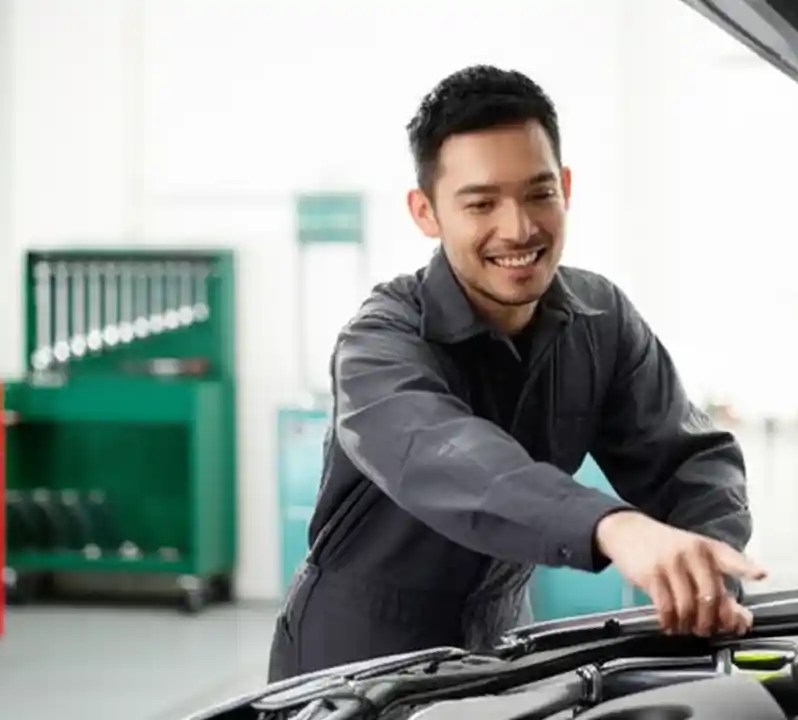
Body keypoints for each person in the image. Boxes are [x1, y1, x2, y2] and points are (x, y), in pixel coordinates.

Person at [267, 64, 764, 682]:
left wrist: (708, 569)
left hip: (501, 637)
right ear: (426, 212)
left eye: (539, 193)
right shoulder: (378, 342)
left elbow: (687, 459)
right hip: (356, 654)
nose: (520, 228)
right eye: (481, 203)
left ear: (567, 187)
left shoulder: (601, 319)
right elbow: (454, 457)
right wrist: (614, 526)